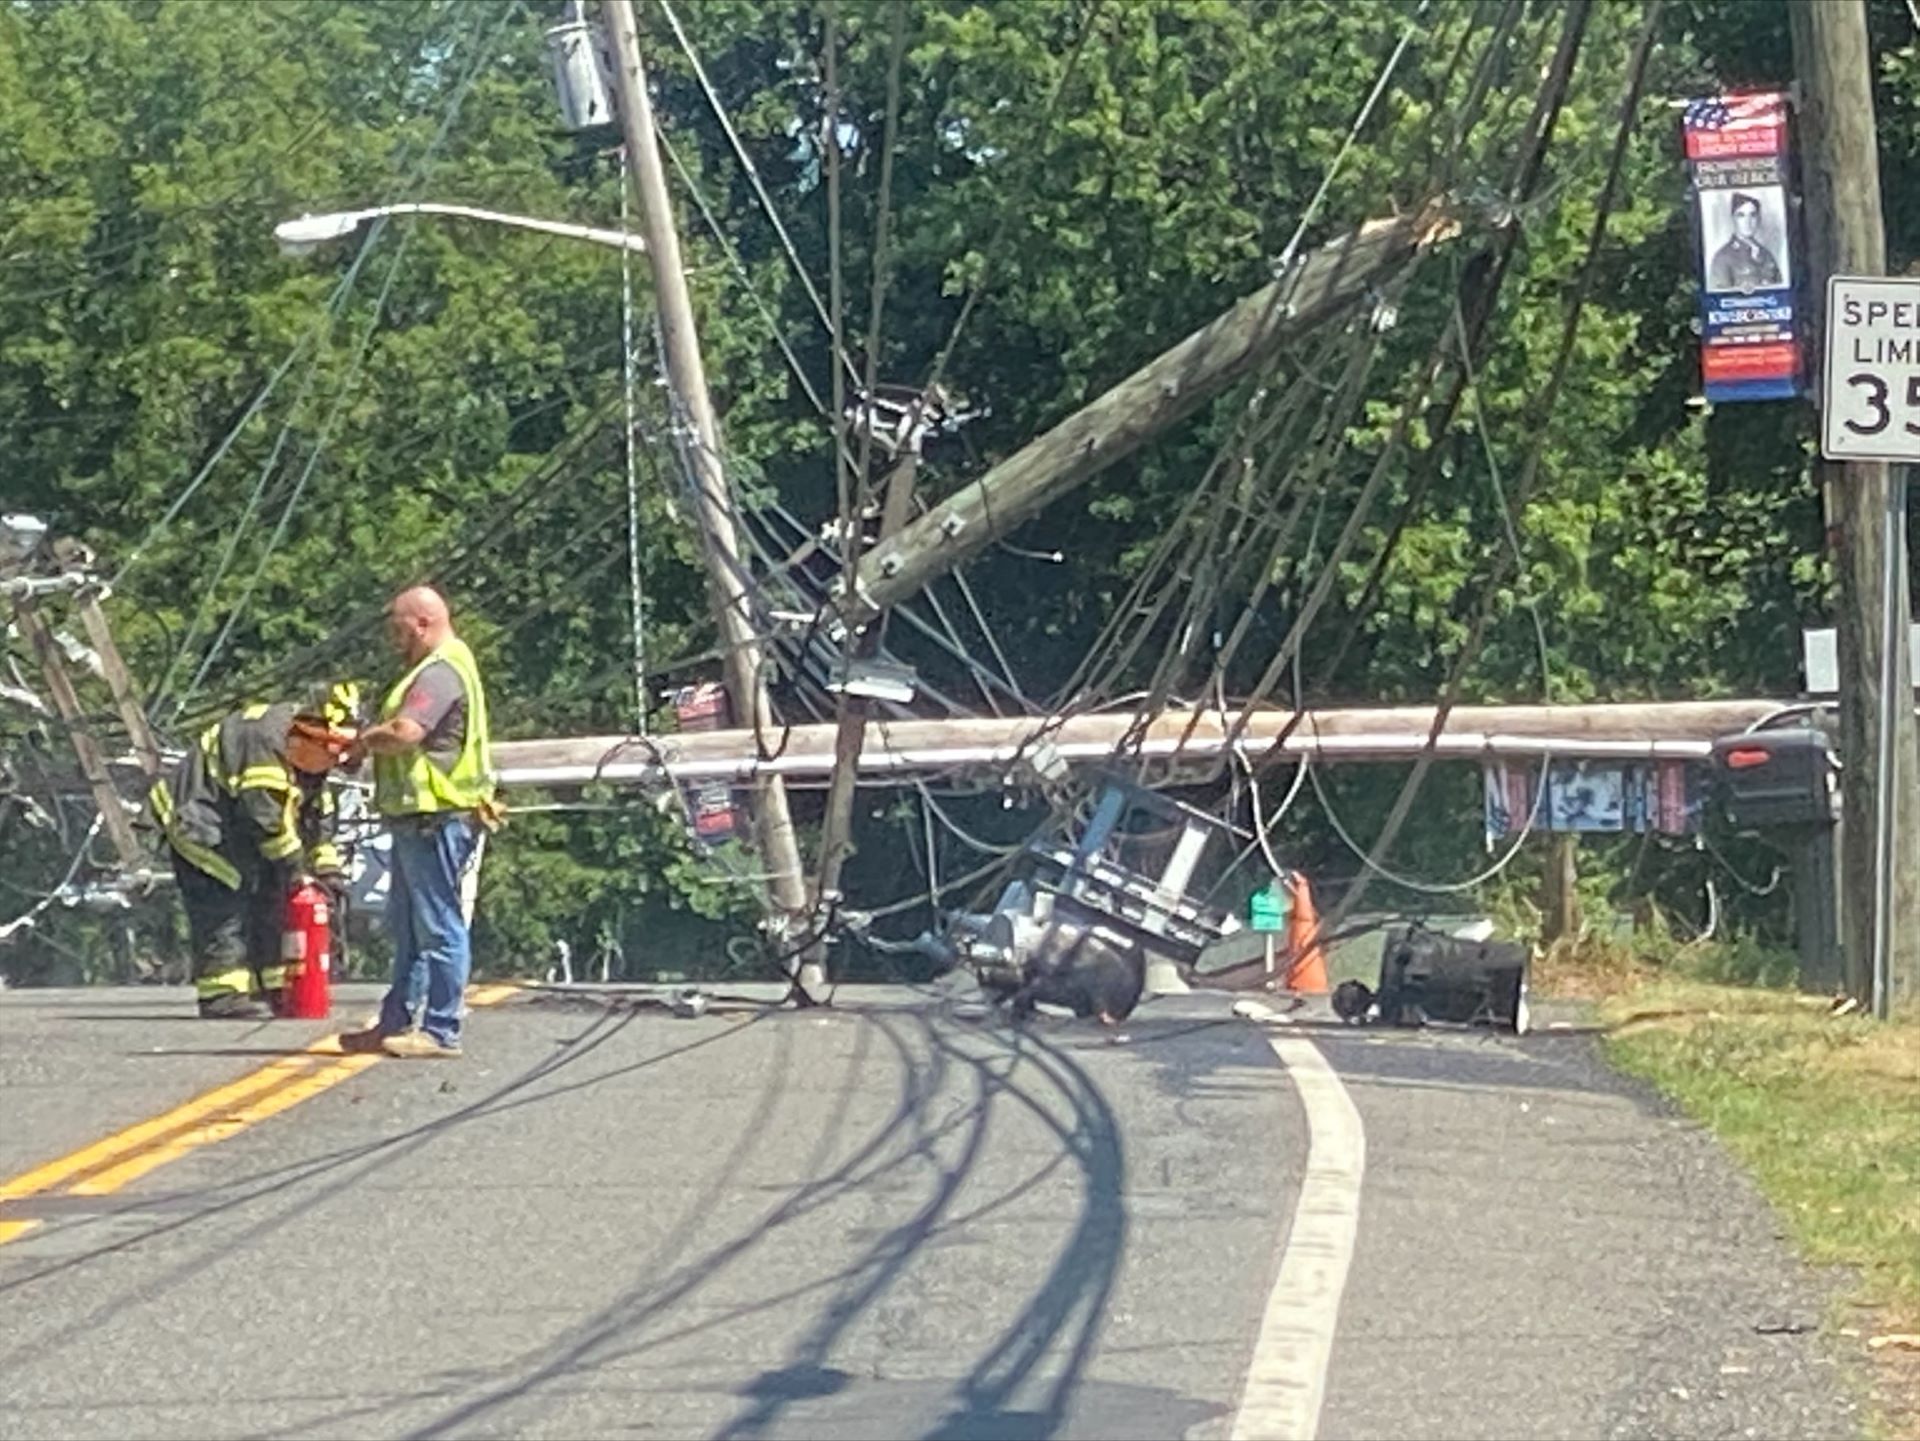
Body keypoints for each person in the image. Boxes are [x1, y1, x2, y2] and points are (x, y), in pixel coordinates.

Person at [342, 586, 496, 1059]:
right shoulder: (437, 667)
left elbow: (408, 732)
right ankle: (395, 1022)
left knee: (439, 926)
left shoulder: (441, 670)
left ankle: (441, 1029)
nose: (395, 640)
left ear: (422, 623)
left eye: (399, 629)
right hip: (419, 820)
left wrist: (363, 742)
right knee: (409, 927)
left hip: (438, 819)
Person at [148, 691, 357, 1018]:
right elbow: (267, 821)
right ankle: (222, 995)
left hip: (237, 822)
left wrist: (327, 872)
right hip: (199, 819)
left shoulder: (308, 758)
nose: (338, 760)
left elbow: (319, 819)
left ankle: (276, 985)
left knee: (273, 899)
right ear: (307, 735)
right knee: (225, 904)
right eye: (333, 750)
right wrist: (297, 871)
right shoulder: (263, 745)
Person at [1707, 192, 1784, 293]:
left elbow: (1781, 289)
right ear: (1733, 219)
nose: (1747, 221)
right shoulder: (1723, 257)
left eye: (1752, 215)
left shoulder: (1766, 255)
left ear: (1758, 219)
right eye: (1741, 215)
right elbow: (1720, 297)